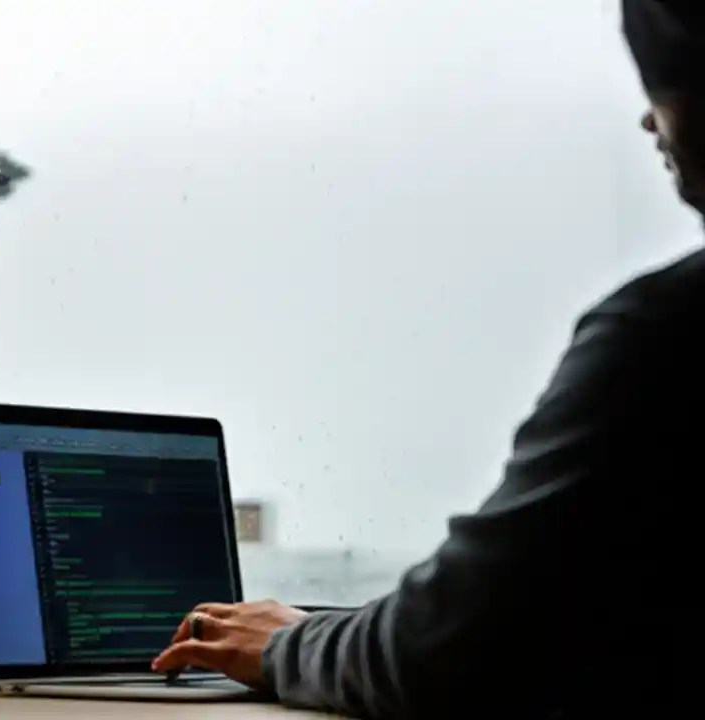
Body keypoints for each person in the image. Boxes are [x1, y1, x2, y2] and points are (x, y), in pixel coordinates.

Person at [152, 2, 703, 717]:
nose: (648, 121)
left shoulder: (661, 338)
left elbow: (453, 645)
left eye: (659, 84)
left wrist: (289, 645)